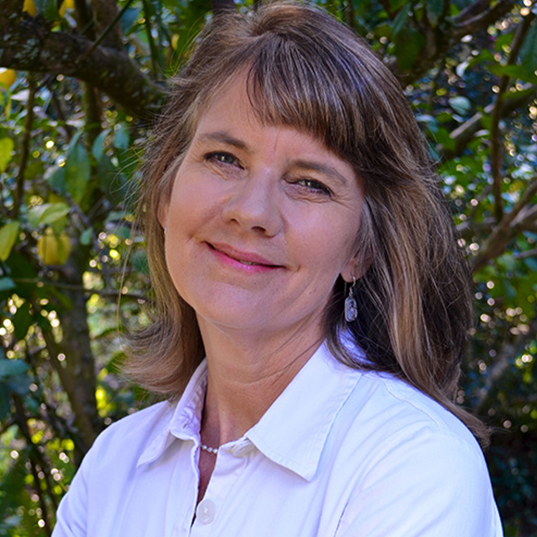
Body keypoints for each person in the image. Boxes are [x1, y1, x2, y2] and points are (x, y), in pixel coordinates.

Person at [52, 3, 503, 536]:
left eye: (310, 182)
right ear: (165, 193)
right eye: (225, 158)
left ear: (360, 249)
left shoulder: (414, 463)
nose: (252, 211)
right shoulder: (113, 466)